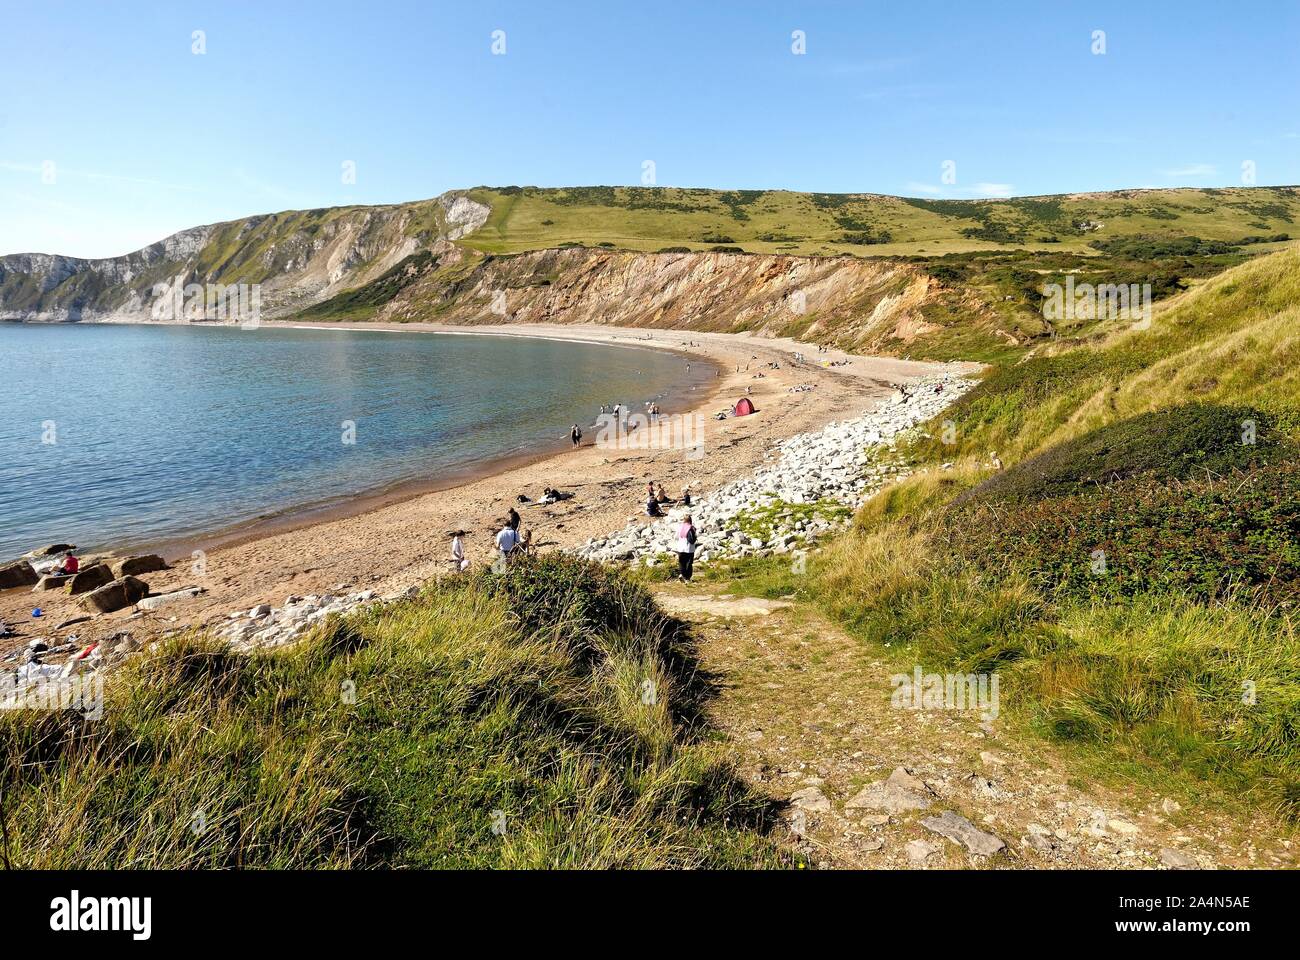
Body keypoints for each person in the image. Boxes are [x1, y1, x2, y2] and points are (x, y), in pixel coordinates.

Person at [674, 515, 698, 582]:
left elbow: (675, 537)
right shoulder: (692, 528)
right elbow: (695, 537)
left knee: (682, 562)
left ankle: (682, 574)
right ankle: (687, 578)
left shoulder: (680, 527)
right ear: (690, 520)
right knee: (689, 563)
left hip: (681, 548)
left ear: (684, 520)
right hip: (689, 548)